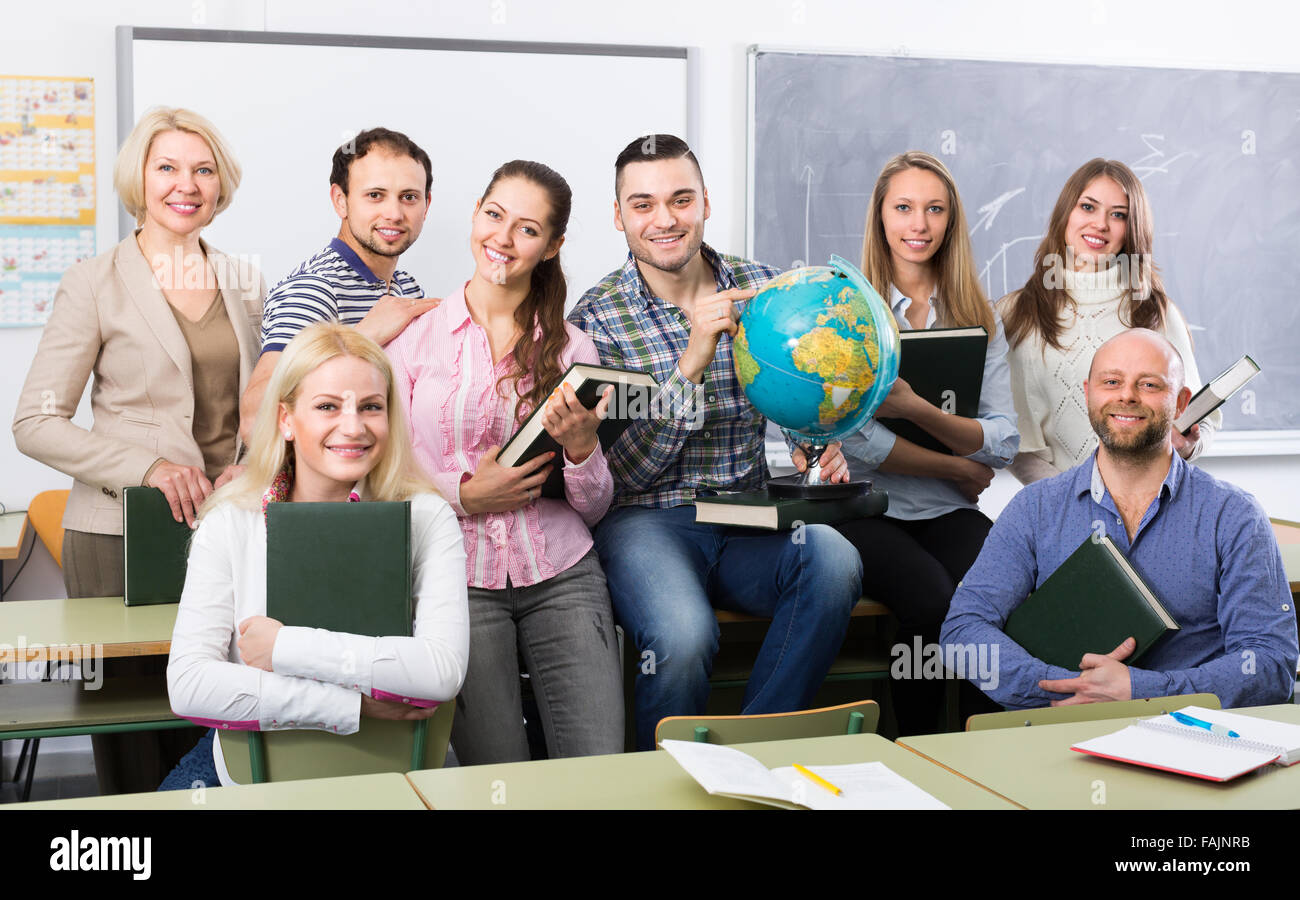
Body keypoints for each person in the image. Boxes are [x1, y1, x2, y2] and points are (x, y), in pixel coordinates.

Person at [568, 134, 863, 752]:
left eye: (681, 199)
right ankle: (664, 781)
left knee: (833, 559)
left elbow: (793, 391)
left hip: (745, 512)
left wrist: (814, 442)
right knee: (681, 634)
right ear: (618, 216)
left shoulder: (762, 287)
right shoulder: (596, 318)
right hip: (647, 522)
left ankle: (753, 754)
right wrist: (690, 364)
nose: (666, 219)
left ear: (706, 202)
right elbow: (623, 474)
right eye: (643, 204)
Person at [12, 106, 263, 794]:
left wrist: (258, 459)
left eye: (203, 169)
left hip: (226, 532)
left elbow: (264, 403)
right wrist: (147, 468)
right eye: (168, 168)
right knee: (136, 730)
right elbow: (34, 420)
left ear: (221, 185)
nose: (187, 184)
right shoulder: (95, 281)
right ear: (140, 180)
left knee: (222, 716)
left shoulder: (244, 282)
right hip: (124, 537)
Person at [385, 160, 623, 764]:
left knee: (595, 772)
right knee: (500, 780)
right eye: (495, 216)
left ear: (552, 247)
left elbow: (593, 508)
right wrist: (465, 494)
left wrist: (581, 449)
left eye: (527, 229)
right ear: (475, 215)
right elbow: (381, 481)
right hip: (454, 581)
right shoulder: (414, 341)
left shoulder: (574, 348)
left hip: (564, 575)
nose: (503, 238)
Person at [163, 322, 469, 788]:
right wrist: (352, 705)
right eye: (327, 406)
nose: (353, 426)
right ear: (285, 419)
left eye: (371, 407)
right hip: (250, 773)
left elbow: (440, 673)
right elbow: (189, 686)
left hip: (394, 775)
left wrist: (285, 647)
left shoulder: (427, 517)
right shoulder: (230, 521)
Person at [941, 329, 1297, 711]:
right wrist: (1065, 688)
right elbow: (964, 631)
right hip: (1058, 734)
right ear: (1088, 393)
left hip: (1187, 738)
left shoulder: (1234, 516)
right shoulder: (1034, 508)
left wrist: (1142, 691)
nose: (1127, 395)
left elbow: (1270, 663)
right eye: (1111, 382)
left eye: (1148, 384)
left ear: (1180, 403)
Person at [836, 151, 1019, 735]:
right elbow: (859, 440)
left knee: (999, 595)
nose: (919, 224)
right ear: (881, 217)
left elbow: (1002, 440)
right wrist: (957, 468)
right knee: (932, 601)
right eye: (905, 208)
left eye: (934, 209)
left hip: (946, 508)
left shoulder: (974, 316)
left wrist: (913, 409)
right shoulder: (847, 312)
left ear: (951, 221)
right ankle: (919, 751)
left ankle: (986, 747)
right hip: (865, 509)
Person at [997, 158, 1219, 485]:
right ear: (1065, 214)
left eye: (1118, 215)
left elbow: (1204, 421)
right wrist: (1071, 501)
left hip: (1150, 503)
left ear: (1132, 229)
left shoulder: (1156, 311)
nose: (1100, 224)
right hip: (1057, 506)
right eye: (1088, 207)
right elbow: (1016, 441)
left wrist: (1186, 445)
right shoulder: (1015, 313)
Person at [238, 127, 440, 439]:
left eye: (409, 197)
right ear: (340, 201)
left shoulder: (408, 290)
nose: (394, 213)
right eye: (375, 195)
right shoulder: (315, 288)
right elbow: (254, 418)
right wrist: (362, 338)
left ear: (426, 204)